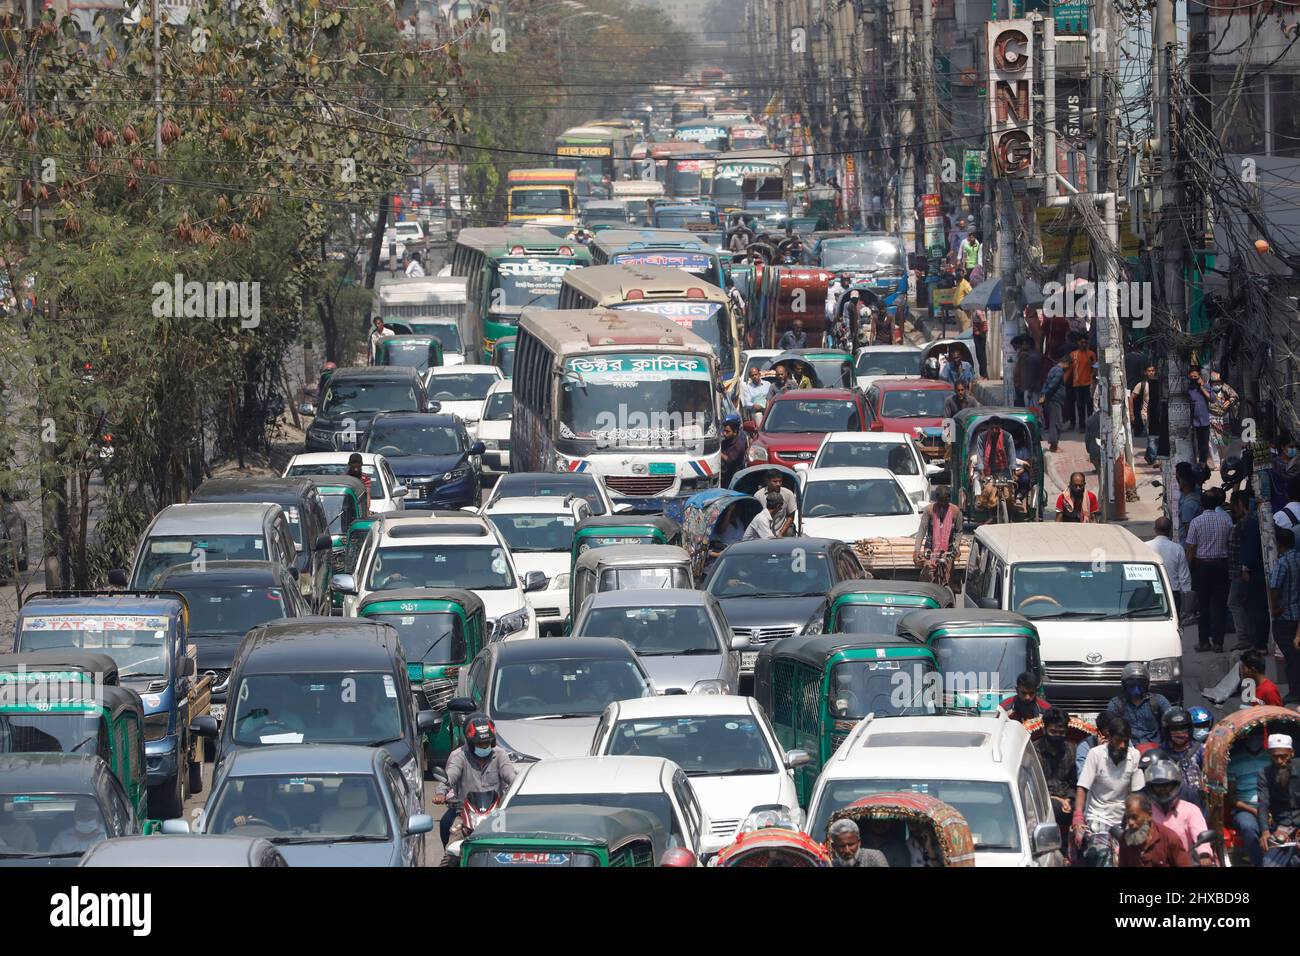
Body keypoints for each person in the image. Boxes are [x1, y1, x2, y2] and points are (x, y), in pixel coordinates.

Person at [434, 712, 518, 851]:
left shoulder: (500, 754)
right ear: (470, 742)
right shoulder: (458, 756)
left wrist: (520, 793)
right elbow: (450, 776)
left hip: (495, 814)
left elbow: (511, 776)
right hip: (464, 812)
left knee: (513, 845)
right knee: (446, 826)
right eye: (479, 743)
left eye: (486, 743)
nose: (483, 747)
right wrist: (441, 793)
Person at [1074, 716, 1145, 866]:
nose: (1122, 745)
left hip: (1123, 818)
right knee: (1102, 857)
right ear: (1109, 737)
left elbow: (1137, 794)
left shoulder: (1135, 755)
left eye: (1125, 741)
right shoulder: (1095, 754)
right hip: (1097, 816)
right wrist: (1078, 817)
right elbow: (1083, 787)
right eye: (1118, 740)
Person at [1185, 484, 1233, 652]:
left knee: (1203, 605)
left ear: (1203, 504)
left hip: (1202, 567)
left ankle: (1204, 641)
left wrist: (1190, 565)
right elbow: (1230, 543)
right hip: (1221, 565)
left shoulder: (1196, 522)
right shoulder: (1225, 520)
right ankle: (1218, 643)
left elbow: (1191, 547)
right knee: (1220, 605)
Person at [1146, 757, 1212, 863]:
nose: (1162, 789)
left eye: (1166, 785)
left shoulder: (1191, 810)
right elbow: (1131, 836)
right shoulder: (1145, 811)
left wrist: (1204, 855)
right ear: (1151, 787)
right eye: (1158, 786)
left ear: (1175, 785)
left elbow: (1200, 833)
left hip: (1184, 862)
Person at [1229, 490, 1270, 651]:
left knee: (1256, 608)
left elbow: (1250, 548)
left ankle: (1258, 643)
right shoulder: (1249, 521)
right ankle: (1257, 641)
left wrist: (1246, 567)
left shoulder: (1250, 523)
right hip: (1252, 571)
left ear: (1240, 504)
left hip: (1254, 572)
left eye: (1234, 507)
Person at [1226, 726, 1272, 867]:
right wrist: (1254, 811)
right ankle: (1259, 864)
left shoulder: (1269, 758)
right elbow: (1232, 798)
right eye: (1252, 735)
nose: (1255, 739)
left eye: (1259, 735)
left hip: (1269, 806)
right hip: (1245, 809)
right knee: (1249, 827)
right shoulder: (1234, 760)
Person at [1035, 707, 1078, 845]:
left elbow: (1076, 782)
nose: (1057, 736)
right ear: (1045, 730)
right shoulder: (1035, 751)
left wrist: (1068, 799)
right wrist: (1057, 799)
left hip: (1068, 797)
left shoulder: (1072, 750)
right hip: (1043, 798)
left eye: (1061, 732)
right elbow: (1035, 784)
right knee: (1054, 809)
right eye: (1053, 732)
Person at [1258, 733, 1300, 867]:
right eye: (1275, 757)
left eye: (1284, 756)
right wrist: (1265, 832)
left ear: (1292, 753)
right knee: (1268, 864)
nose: (1280, 761)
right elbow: (1263, 804)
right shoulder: (1264, 774)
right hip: (1281, 828)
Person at [1116, 793, 1192, 868]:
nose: (1130, 822)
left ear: (1149, 815)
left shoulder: (1169, 838)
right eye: (1127, 817)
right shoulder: (1125, 839)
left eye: (1134, 817)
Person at [1106, 662, 1171, 746]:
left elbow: (1172, 719)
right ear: (1124, 685)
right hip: (1128, 751)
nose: (1136, 689)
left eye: (1140, 685)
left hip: (1155, 750)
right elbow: (1108, 727)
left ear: (1147, 684)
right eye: (1132, 685)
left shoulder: (1159, 700)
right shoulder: (1116, 703)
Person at [914, 487, 962, 586]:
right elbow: (922, 531)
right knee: (927, 575)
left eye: (945, 502)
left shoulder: (956, 511)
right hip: (931, 549)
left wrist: (956, 546)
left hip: (948, 549)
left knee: (948, 577)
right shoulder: (929, 510)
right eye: (941, 502)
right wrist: (917, 550)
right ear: (936, 500)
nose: (943, 505)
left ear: (949, 499)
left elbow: (959, 531)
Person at [1146, 516, 1192, 618]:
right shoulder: (1177, 548)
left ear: (1155, 530)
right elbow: (1184, 577)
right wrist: (1186, 599)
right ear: (1170, 530)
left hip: (1151, 592)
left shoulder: (1145, 547)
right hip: (1172, 594)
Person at [1161, 707, 1206, 807]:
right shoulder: (1161, 753)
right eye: (1174, 729)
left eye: (1183, 728)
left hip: (1198, 802)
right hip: (1173, 804)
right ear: (1167, 731)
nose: (1179, 732)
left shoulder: (1200, 749)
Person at [1207, 369, 1238, 471]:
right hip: (1211, 416)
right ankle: (1216, 463)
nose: (1216, 385)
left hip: (1224, 417)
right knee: (1212, 441)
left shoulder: (1225, 387)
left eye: (1218, 382)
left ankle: (1223, 459)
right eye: (1214, 383)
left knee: (1226, 440)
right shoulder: (1207, 388)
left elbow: (1235, 395)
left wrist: (1229, 401)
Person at [1040, 353, 1071, 452]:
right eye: (1069, 366)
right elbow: (1053, 384)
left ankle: (1053, 444)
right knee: (1056, 422)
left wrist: (1043, 394)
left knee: (1055, 421)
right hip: (1055, 400)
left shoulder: (1053, 369)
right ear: (1066, 363)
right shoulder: (1059, 371)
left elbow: (1046, 383)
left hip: (1051, 400)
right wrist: (1045, 396)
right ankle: (1054, 445)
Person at [1130, 363, 1158, 463]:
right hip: (1146, 415)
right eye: (1149, 371)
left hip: (1157, 414)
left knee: (1155, 437)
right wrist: (1132, 413)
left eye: (1153, 370)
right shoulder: (1142, 384)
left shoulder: (1159, 383)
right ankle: (1154, 459)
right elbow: (1131, 397)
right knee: (1151, 437)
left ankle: (1149, 455)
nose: (1151, 373)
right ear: (1145, 372)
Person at [1076, 710, 1116, 777]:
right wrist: (1098, 753)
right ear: (1098, 732)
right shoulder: (1085, 747)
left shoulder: (1124, 741)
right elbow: (1082, 777)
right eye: (1108, 735)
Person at [1069, 336, 1096, 430]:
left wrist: (1092, 365)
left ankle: (1090, 425)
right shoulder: (1073, 354)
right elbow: (1069, 369)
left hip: (1088, 383)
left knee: (1089, 405)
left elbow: (1095, 367)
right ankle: (1082, 426)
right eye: (1082, 342)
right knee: (1080, 406)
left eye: (1085, 342)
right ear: (1078, 343)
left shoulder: (1091, 354)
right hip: (1077, 384)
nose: (1083, 344)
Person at [1188, 368, 1213, 469]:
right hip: (1194, 421)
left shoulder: (1206, 386)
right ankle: (1193, 461)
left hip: (1204, 421)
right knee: (1194, 443)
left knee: (1204, 444)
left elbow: (1212, 399)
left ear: (1200, 377)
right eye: (1192, 377)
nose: (1194, 379)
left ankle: (1203, 462)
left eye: (1196, 377)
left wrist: (1202, 387)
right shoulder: (1189, 389)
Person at [1175, 461, 1203, 545]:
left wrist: (1190, 549)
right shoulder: (1190, 493)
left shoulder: (1189, 504)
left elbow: (1189, 531)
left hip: (1187, 544)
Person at [1012, 336, 1043, 409]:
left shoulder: (1031, 358)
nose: (1022, 346)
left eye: (1024, 344)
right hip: (1030, 388)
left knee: (1032, 410)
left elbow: (1032, 375)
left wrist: (1030, 390)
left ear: (1029, 345)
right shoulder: (1031, 356)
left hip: (1031, 389)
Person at [720, 415, 747, 488]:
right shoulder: (734, 435)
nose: (724, 434)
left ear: (735, 432)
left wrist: (718, 452)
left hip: (733, 477)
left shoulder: (739, 445)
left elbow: (730, 461)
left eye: (727, 431)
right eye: (724, 430)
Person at [970, 309, 989, 379]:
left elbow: (983, 321)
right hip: (979, 334)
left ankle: (983, 374)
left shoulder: (978, 311)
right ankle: (983, 374)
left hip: (979, 335)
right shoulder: (977, 311)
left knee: (981, 355)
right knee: (980, 355)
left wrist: (980, 332)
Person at [1084, 407, 1103, 475]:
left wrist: (1089, 450)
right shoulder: (1108, 418)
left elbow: (1087, 439)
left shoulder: (1090, 420)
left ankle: (1098, 468)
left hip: (1094, 452)